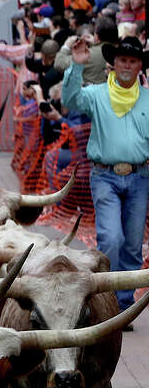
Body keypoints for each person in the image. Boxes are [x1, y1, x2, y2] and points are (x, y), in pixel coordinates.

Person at [62, 35, 149, 312]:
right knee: (111, 238)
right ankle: (105, 301)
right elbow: (70, 99)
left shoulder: (147, 99)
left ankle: (122, 306)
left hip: (140, 177)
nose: (126, 65)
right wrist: (76, 67)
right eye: (122, 59)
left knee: (134, 245)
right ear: (113, 64)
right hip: (104, 176)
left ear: (139, 67)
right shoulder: (97, 94)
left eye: (132, 61)